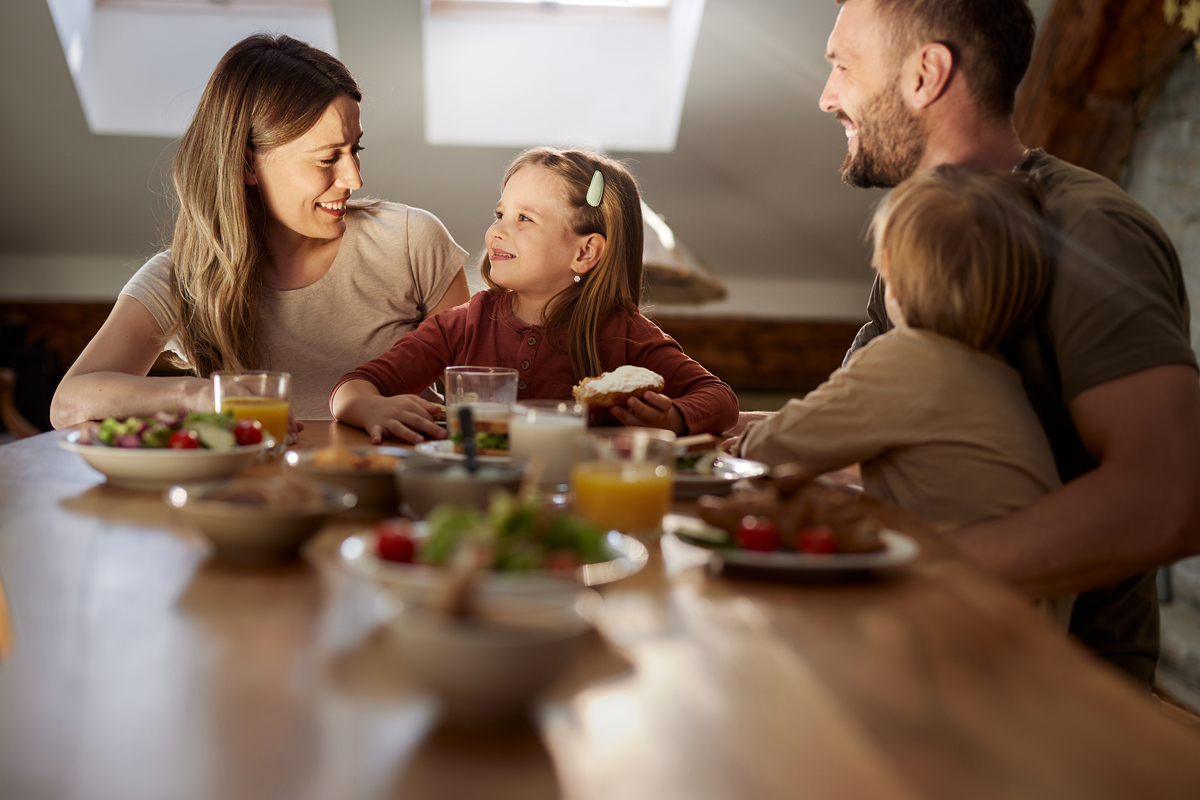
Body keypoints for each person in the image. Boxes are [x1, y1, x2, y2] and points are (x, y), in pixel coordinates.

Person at [817, 0, 1200, 686]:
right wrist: (719, 439)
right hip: (911, 659)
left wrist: (910, 570)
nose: (827, 97)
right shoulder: (922, 231)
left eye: (842, 66)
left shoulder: (1088, 232)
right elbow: (886, 441)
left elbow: (1172, 493)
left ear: (925, 74)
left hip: (1055, 697)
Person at [49, 34, 471, 429]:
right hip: (253, 499)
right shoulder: (184, 277)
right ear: (248, 165)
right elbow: (69, 401)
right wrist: (200, 396)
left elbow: (472, 399)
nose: (354, 178)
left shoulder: (412, 242)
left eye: (355, 149)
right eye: (328, 158)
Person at [737, 165, 1074, 625]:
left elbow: (770, 447)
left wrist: (740, 438)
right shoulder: (994, 373)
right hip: (1026, 615)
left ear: (889, 271)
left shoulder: (905, 360)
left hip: (964, 617)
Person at [331, 147, 739, 444]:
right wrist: (371, 406)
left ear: (584, 253)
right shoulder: (465, 322)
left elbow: (721, 400)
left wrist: (673, 418)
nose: (497, 232)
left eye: (524, 218)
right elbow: (354, 386)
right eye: (500, 214)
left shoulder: (625, 333)